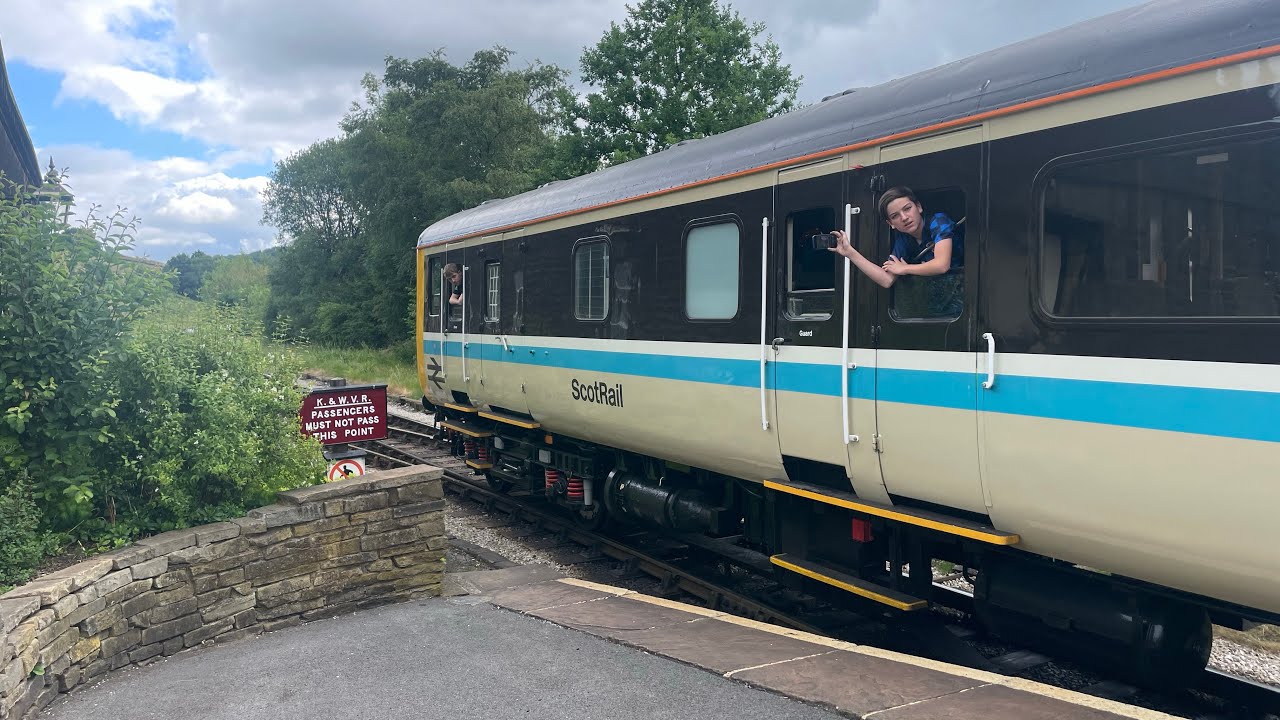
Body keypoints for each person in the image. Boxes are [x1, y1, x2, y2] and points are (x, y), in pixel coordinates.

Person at [828, 186, 962, 289]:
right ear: (891, 224)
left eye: (907, 208)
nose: (904, 218)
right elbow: (886, 280)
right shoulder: (903, 240)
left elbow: (941, 265)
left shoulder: (938, 221)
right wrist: (850, 253)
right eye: (895, 216)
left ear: (919, 207)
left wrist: (906, 268)